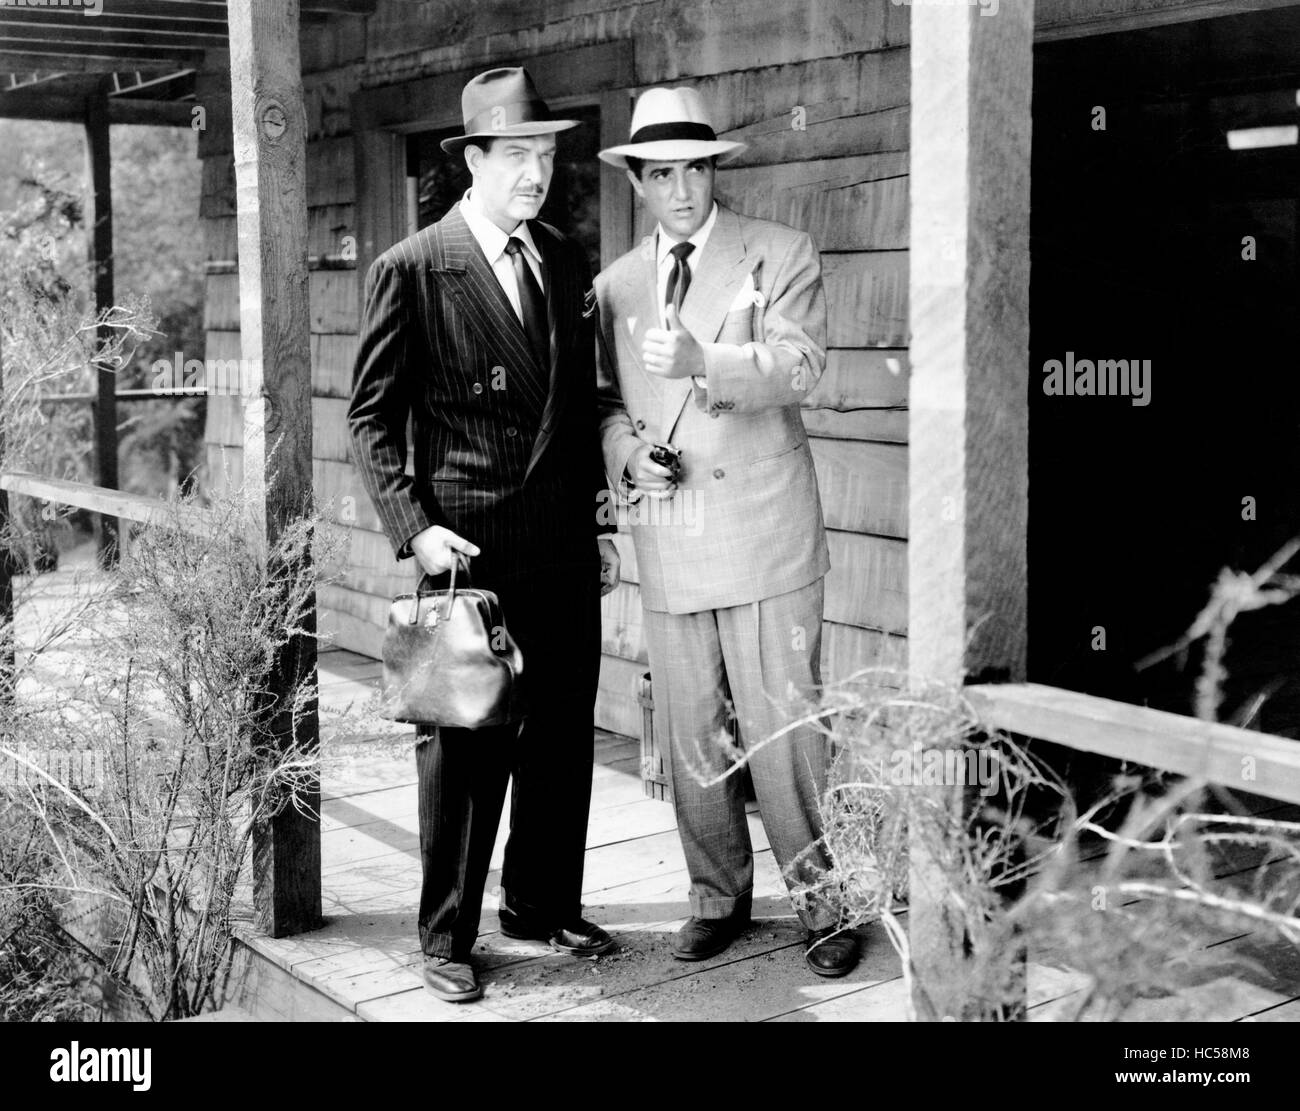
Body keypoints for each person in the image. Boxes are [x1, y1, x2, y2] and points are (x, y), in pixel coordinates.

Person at [348, 67, 621, 1004]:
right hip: (467, 550)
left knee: (560, 735)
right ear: (472, 160)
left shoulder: (566, 259)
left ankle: (541, 902)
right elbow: (371, 420)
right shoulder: (414, 267)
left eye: (545, 154)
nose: (536, 172)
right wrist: (413, 527)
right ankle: (446, 934)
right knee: (464, 747)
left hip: (559, 542)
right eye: (516, 155)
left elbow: (580, 410)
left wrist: (598, 513)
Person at [594, 86, 858, 977]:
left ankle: (826, 903)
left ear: (715, 170)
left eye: (695, 169)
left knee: (789, 732)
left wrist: (710, 361)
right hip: (671, 530)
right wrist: (629, 453)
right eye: (661, 173)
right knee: (692, 729)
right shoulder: (616, 286)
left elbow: (802, 365)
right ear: (638, 181)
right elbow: (604, 404)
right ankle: (717, 897)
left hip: (766, 532)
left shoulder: (776, 253)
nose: (680, 190)